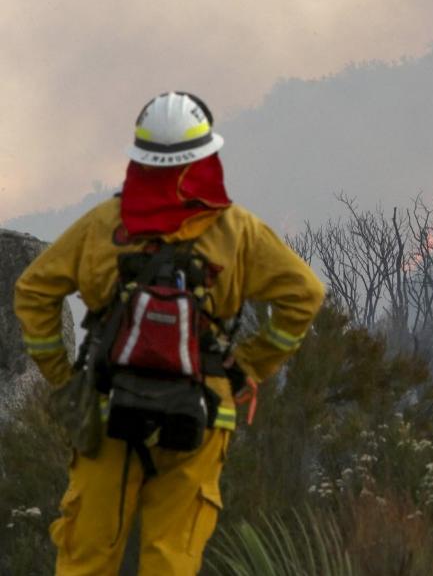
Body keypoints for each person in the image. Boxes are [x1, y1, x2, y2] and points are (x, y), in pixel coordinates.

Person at [14, 91, 325, 575]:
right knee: (170, 560)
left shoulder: (103, 226)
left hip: (107, 412)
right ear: (206, 159)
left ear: (139, 161)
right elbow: (304, 293)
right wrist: (250, 366)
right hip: (201, 414)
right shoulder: (237, 231)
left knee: (86, 558)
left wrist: (60, 376)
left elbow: (33, 291)